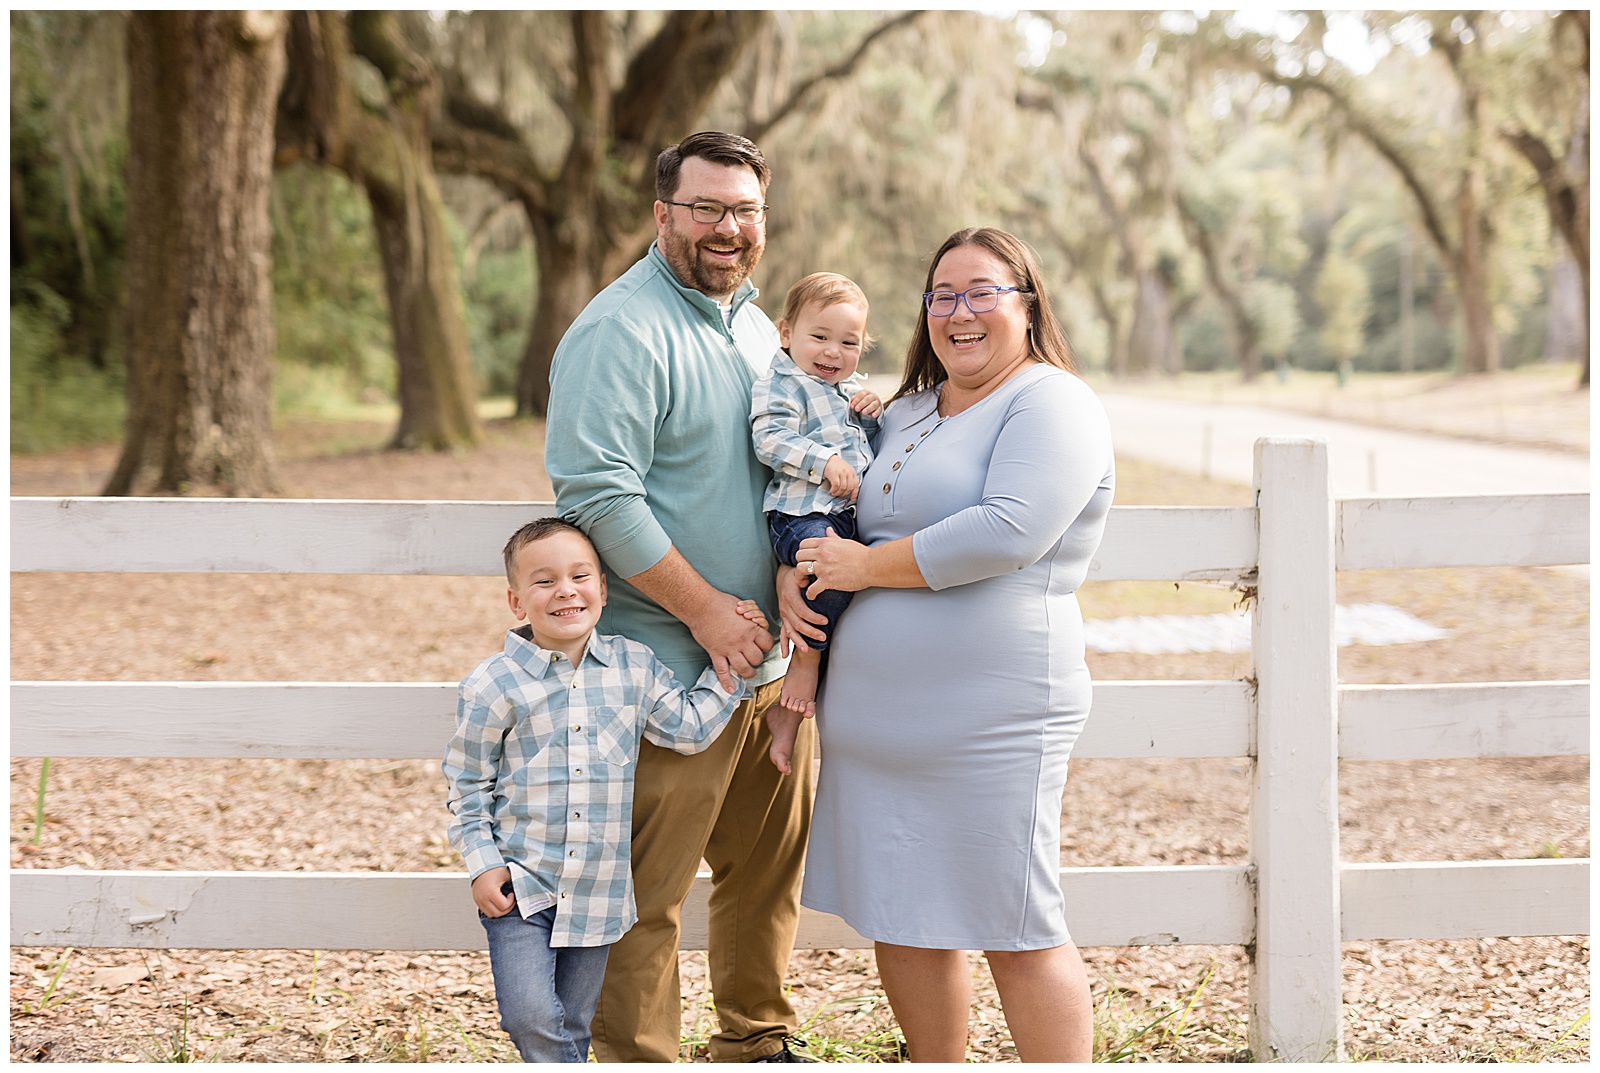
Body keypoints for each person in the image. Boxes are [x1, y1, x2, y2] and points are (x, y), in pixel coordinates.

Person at [784, 227, 1115, 1063]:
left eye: (982, 291)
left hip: (990, 717)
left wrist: (861, 567)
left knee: (1014, 917)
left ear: (1027, 304)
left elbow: (1008, 530)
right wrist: (799, 567)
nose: (959, 311)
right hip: (875, 726)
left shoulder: (1052, 401)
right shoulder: (902, 411)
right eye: (942, 295)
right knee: (904, 910)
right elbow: (825, 503)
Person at [544, 131, 817, 1063]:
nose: (727, 228)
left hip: (768, 669)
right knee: (644, 898)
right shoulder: (620, 331)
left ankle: (755, 1039)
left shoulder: (752, 324)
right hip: (660, 672)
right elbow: (596, 496)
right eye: (706, 208)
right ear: (664, 214)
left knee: (764, 876)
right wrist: (704, 608)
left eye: (745, 210)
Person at [442, 519, 755, 1062]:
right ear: (517, 602)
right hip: (520, 885)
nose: (565, 590)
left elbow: (686, 728)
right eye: (544, 582)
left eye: (579, 575)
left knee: (576, 1022)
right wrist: (482, 861)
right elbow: (469, 781)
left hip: (598, 888)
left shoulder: (633, 667)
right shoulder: (493, 684)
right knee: (529, 1016)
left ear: (603, 590)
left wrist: (733, 665)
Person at [750, 271, 883, 771]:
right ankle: (802, 671)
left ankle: (804, 694)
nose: (833, 352)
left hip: (838, 517)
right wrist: (823, 462)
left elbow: (867, 453)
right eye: (820, 337)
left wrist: (870, 419)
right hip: (798, 515)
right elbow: (771, 438)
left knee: (852, 586)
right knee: (830, 579)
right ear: (786, 334)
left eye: (848, 342)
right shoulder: (782, 385)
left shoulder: (845, 393)